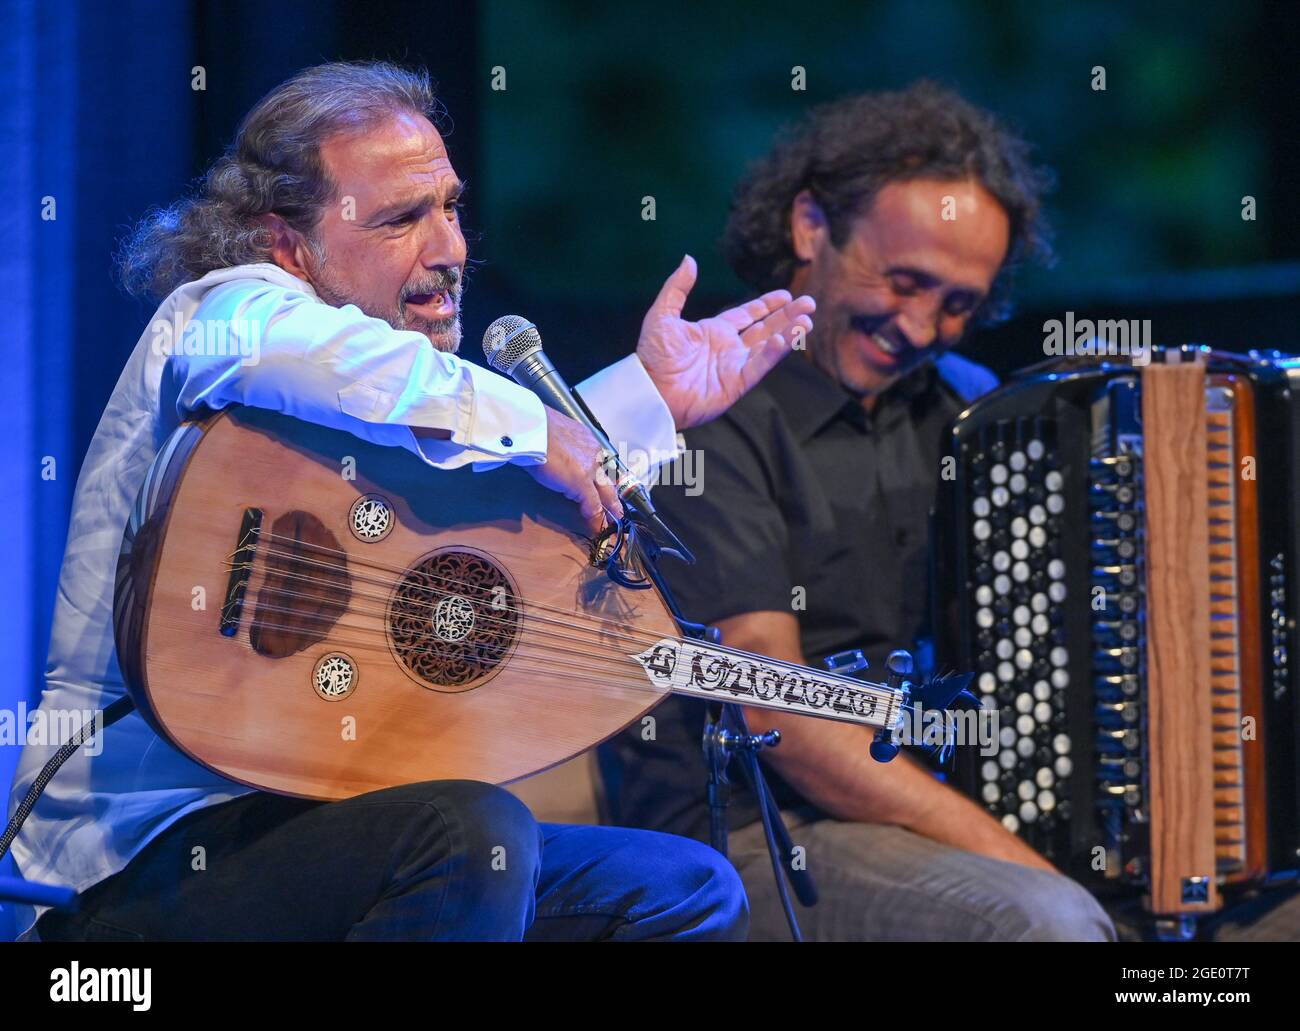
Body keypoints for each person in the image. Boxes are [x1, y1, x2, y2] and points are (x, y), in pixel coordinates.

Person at [6, 60, 815, 942]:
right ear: (286, 244)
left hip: (331, 834)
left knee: (682, 885)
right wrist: (541, 431)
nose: (451, 250)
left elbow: (495, 496)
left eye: (450, 208)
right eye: (400, 219)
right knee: (467, 832)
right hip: (138, 870)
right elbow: (316, 359)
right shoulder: (228, 313)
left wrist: (644, 399)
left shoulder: (404, 404)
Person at [601, 82, 1117, 941]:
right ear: (811, 227)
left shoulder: (971, 409)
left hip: (914, 813)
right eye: (904, 281)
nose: (919, 327)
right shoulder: (710, 411)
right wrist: (1025, 863)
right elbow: (782, 719)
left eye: (957, 305)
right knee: (1049, 925)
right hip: (745, 832)